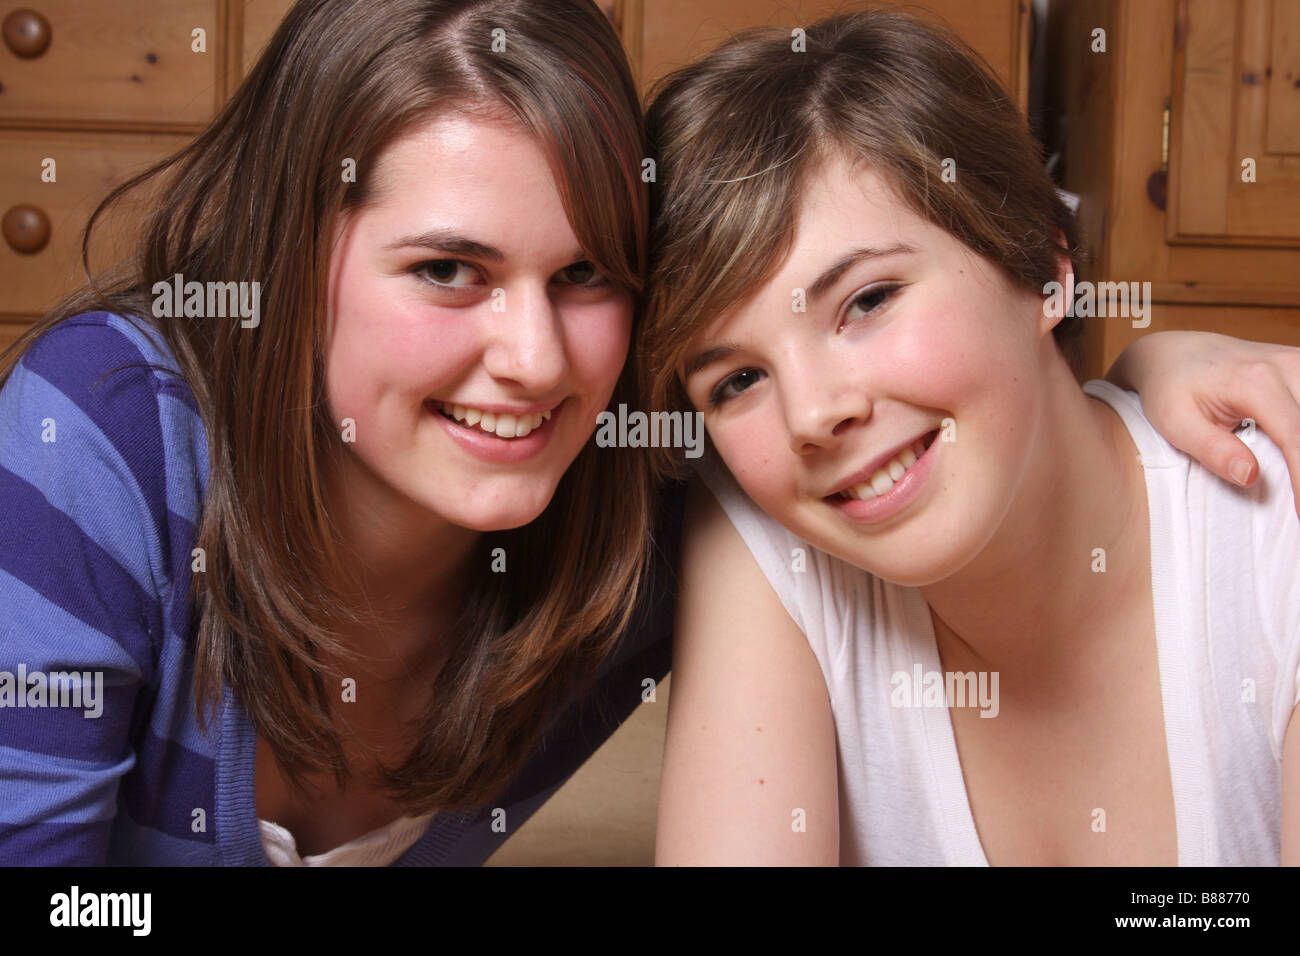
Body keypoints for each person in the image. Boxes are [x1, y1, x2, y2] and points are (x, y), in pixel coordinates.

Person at [0, 0, 1294, 867]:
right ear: (292, 252)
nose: (533, 358)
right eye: (447, 268)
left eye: (583, 279)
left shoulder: (633, 509)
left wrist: (1137, 366)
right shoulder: (102, 449)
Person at [641, 10, 1300, 865]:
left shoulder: (1273, 532)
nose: (810, 416)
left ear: (1042, 266)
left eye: (868, 301)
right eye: (737, 380)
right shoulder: (770, 538)